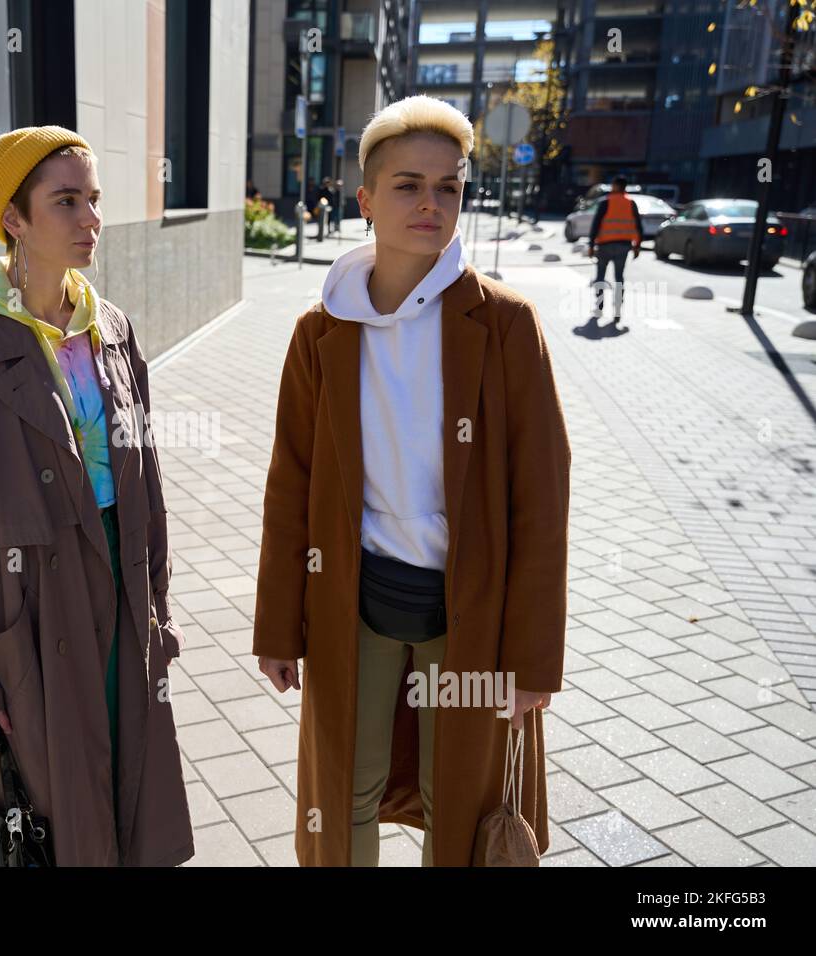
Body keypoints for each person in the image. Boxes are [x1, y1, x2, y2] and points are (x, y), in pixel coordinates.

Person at [252, 95, 571, 866]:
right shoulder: (321, 329)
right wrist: (276, 623)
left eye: (449, 187)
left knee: (456, 800)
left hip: (470, 613)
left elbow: (542, 499)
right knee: (344, 794)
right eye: (408, 185)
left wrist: (532, 661)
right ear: (365, 199)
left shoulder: (504, 324)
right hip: (354, 601)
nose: (431, 203)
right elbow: (289, 483)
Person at [0, 125, 194, 867]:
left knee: (130, 791)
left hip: (123, 597)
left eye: (94, 200)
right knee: (51, 815)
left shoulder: (113, 330)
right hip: (32, 614)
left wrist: (157, 607)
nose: (90, 220)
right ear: (14, 218)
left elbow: (147, 486)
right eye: (66, 201)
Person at [587, 175, 644, 325]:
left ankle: (599, 307)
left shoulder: (606, 202)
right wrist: (637, 246)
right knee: (619, 278)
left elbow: (596, 225)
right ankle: (617, 310)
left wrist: (591, 245)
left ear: (616, 186)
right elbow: (638, 226)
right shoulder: (631, 203)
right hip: (623, 246)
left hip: (605, 245)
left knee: (600, 277)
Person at [315, 177, 335, 241]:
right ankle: (320, 232)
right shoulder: (321, 189)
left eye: (328, 183)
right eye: (326, 183)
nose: (327, 184)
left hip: (328, 206)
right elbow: (318, 197)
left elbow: (332, 199)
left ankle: (328, 230)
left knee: (329, 219)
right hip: (322, 207)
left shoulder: (330, 190)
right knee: (321, 219)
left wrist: (331, 205)